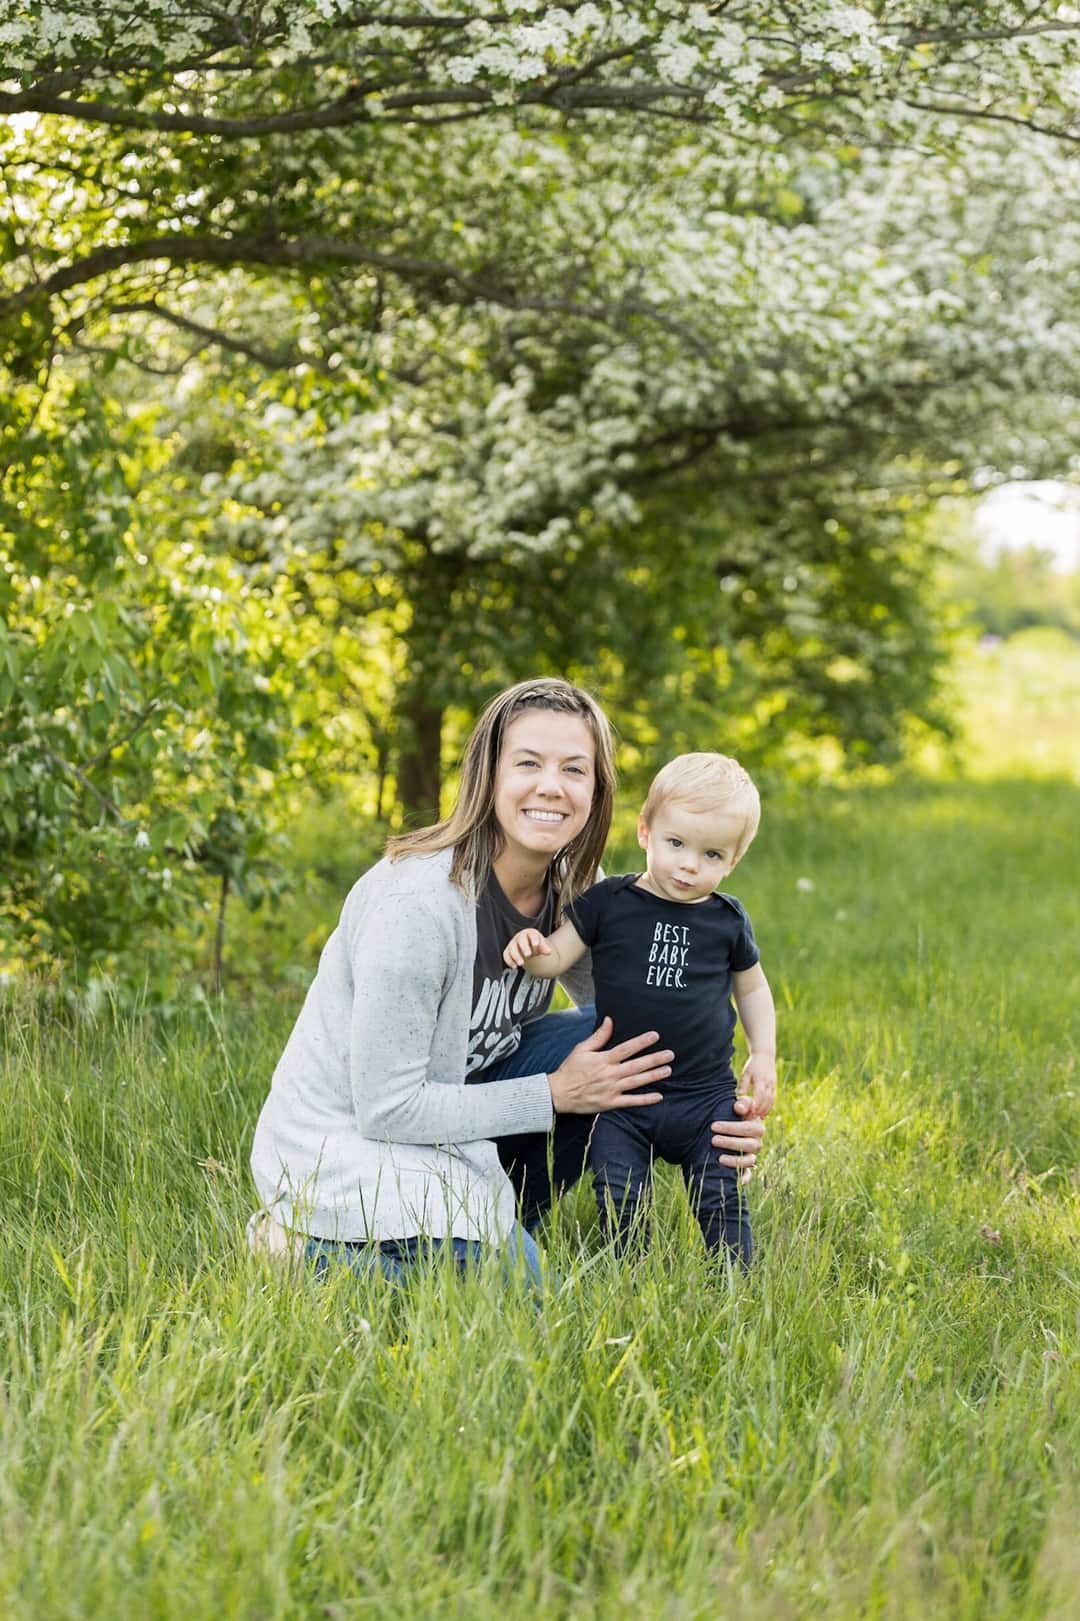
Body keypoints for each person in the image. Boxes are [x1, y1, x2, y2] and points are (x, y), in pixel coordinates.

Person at [249, 682, 768, 1283]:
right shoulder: (415, 906)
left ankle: (496, 1221)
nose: (551, 785)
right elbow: (387, 1108)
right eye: (528, 763)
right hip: (351, 1141)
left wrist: (714, 1124)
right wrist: (552, 1094)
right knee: (514, 1288)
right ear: (487, 775)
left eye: (574, 768)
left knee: (618, 1045)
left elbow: (645, 1027)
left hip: (465, 1109)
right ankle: (296, 1247)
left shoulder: (580, 885)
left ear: (596, 790)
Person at [503, 752, 776, 1266]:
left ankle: (737, 1285)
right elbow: (559, 954)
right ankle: (628, 1273)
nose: (690, 865)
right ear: (645, 832)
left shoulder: (727, 919)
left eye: (712, 855)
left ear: (733, 860)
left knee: (720, 1197)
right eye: (676, 844)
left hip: (704, 1097)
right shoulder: (609, 901)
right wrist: (532, 950)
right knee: (619, 1194)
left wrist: (763, 1054)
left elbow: (754, 990)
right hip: (624, 1091)